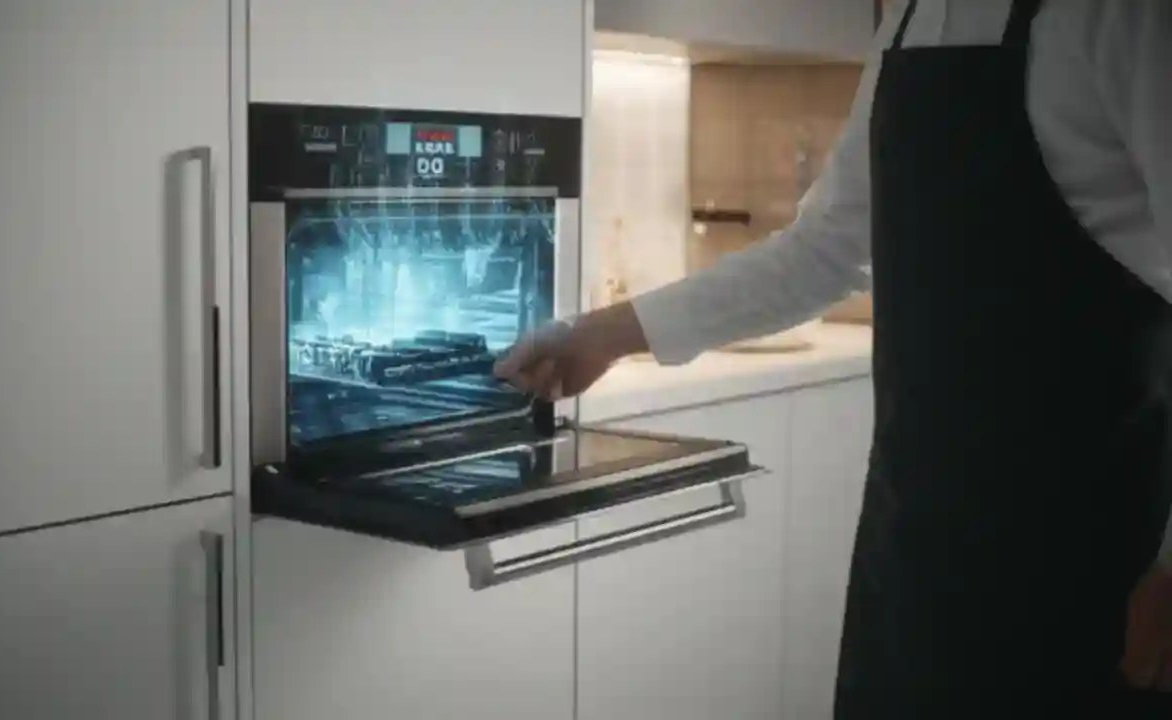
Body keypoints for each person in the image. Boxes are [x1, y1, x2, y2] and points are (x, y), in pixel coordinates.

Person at [495, 0, 1172, 713]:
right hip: (916, 560)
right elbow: (822, 254)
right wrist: (599, 334)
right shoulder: (908, 24)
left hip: (1094, 574)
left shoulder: (1121, 18)